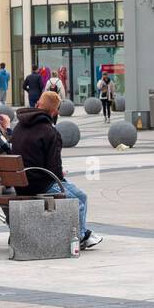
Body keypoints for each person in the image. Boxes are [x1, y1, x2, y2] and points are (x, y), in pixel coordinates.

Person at [11, 91, 102, 250]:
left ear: (38, 104)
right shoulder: (50, 131)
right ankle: (80, 237)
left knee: (80, 195)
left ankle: (84, 234)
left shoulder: (19, 126)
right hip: (40, 182)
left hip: (19, 181)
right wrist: (60, 175)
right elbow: (54, 168)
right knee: (78, 201)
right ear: (55, 112)